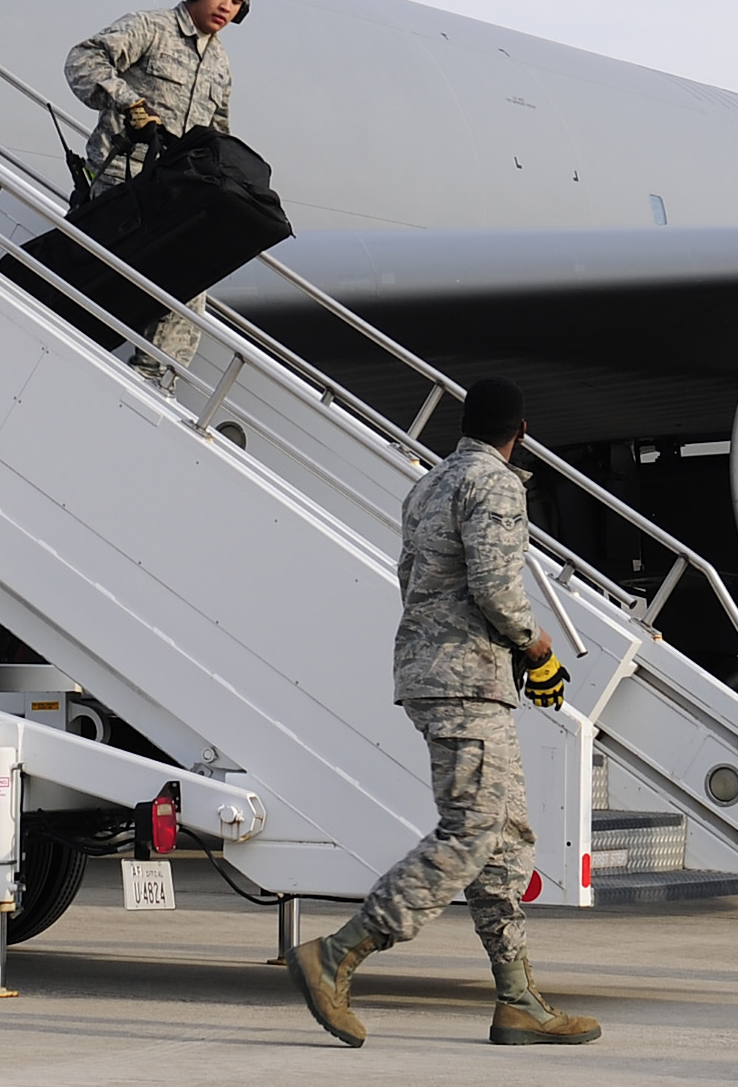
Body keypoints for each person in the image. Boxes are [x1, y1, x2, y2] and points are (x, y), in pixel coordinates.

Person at [288, 378, 598, 1048]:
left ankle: (518, 1000)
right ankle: (337, 954)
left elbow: (418, 580)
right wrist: (537, 648)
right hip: (466, 682)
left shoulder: (428, 484)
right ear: (521, 428)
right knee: (469, 833)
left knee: (505, 838)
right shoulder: (498, 482)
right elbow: (493, 584)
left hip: (440, 673)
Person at [60, 0, 248, 391]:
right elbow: (83, 60)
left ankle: (150, 383)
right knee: (96, 285)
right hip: (119, 181)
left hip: (172, 194)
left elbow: (215, 136)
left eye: (236, 2)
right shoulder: (151, 28)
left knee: (188, 289)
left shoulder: (220, 66)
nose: (226, 7)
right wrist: (129, 103)